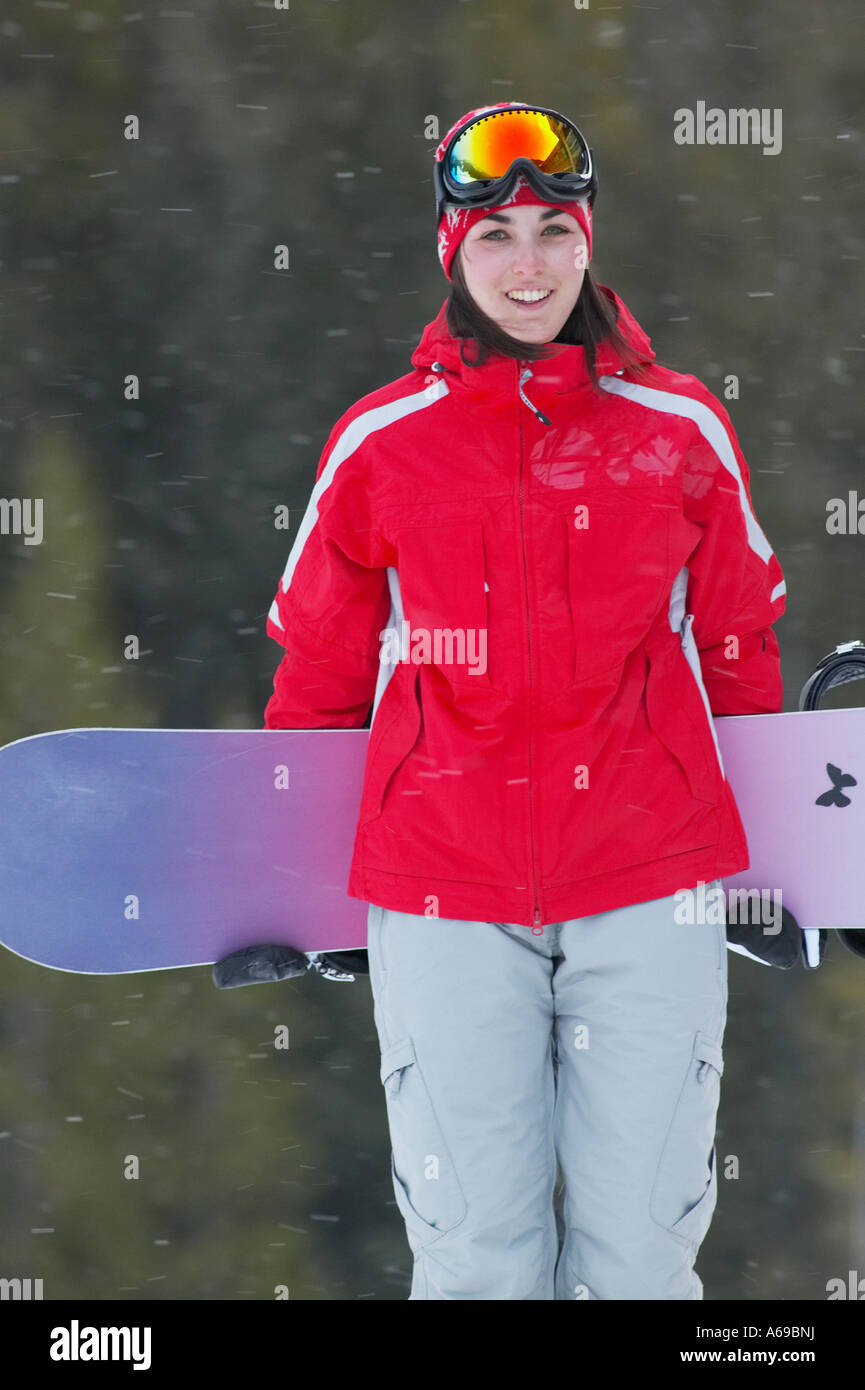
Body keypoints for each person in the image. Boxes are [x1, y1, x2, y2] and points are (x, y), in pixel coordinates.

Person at [255, 102, 787, 1298]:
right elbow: (321, 681)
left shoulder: (676, 428)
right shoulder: (383, 443)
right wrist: (296, 886)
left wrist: (798, 868)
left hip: (653, 881)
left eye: (554, 229)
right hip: (444, 890)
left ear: (589, 240)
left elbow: (741, 651)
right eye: (495, 236)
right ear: (452, 250)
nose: (530, 264)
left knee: (642, 1260)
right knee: (473, 1262)